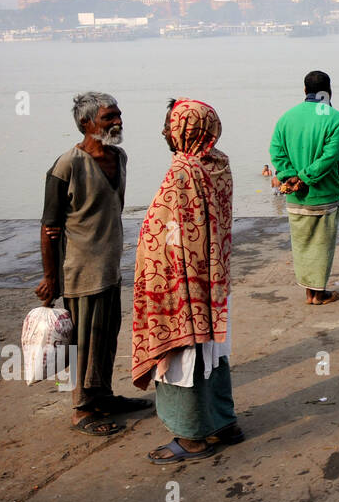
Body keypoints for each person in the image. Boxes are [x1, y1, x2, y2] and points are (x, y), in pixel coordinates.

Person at [133, 99, 241, 463]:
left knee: (185, 360)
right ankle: (223, 423)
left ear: (187, 130)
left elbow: (167, 234)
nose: (165, 132)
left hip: (182, 285)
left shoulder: (183, 172)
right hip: (213, 281)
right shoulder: (217, 163)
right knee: (212, 354)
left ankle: (192, 437)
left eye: (170, 125)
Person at [37, 91, 148, 437]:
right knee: (81, 341)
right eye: (108, 117)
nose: (117, 121)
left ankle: (102, 395)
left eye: (118, 115)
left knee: (106, 336)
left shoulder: (120, 156)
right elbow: (49, 228)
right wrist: (50, 277)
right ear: (86, 123)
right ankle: (80, 409)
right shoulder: (67, 165)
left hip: (110, 266)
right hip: (79, 270)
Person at [270, 71, 339, 304]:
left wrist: (290, 176)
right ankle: (319, 294)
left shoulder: (286, 118)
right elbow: (330, 156)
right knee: (322, 245)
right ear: (329, 91)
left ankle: (309, 292)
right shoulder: (335, 118)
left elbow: (277, 152)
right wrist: (305, 178)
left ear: (305, 90)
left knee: (302, 246)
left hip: (295, 197)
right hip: (323, 194)